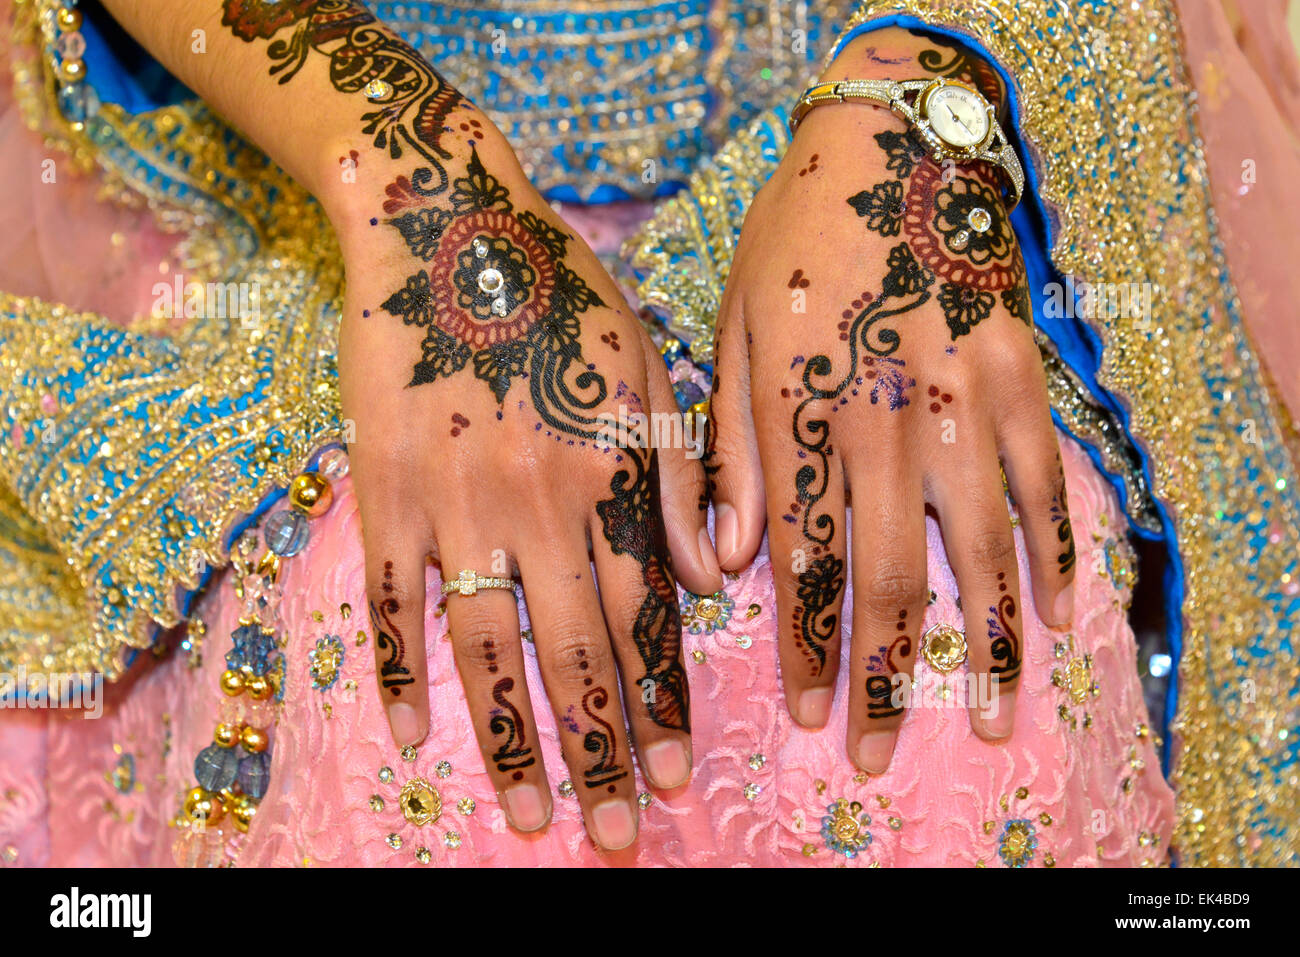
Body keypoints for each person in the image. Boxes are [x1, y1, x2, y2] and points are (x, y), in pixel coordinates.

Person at [0, 0, 1292, 867]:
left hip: (871, 101)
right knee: (425, 656)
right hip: (293, 151)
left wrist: (920, 101)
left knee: (960, 598)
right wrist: (418, 180)